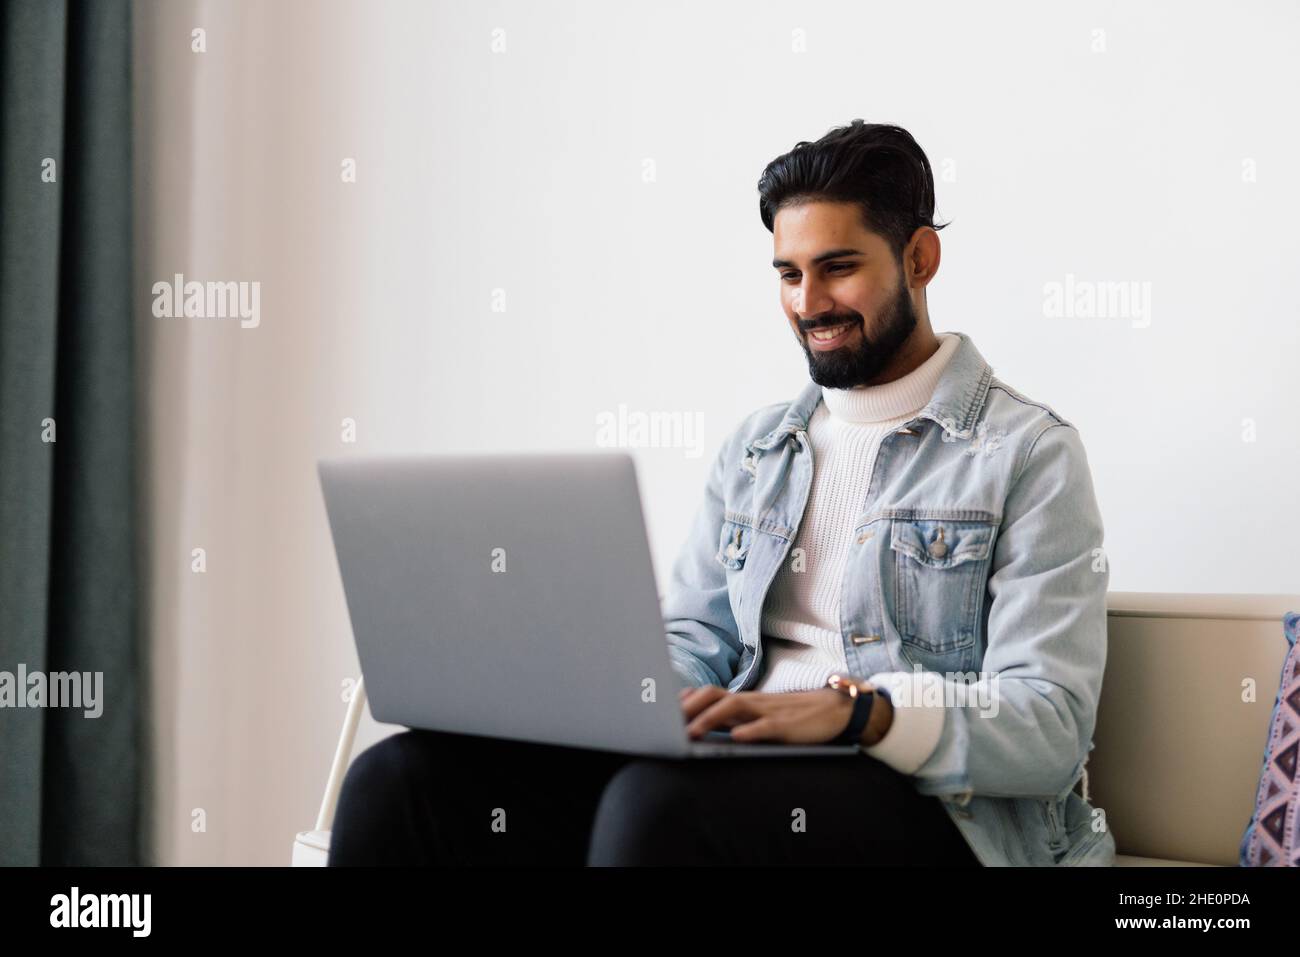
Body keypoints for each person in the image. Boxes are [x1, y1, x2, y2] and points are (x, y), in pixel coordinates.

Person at [329, 120, 1114, 867]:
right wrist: (593, 698)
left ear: (919, 257)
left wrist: (855, 710)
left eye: (838, 267)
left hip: (930, 810)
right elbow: (696, 642)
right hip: (731, 767)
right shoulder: (759, 448)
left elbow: (1050, 726)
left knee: (659, 807)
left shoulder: (1028, 453)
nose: (808, 304)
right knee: (403, 782)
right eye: (788, 273)